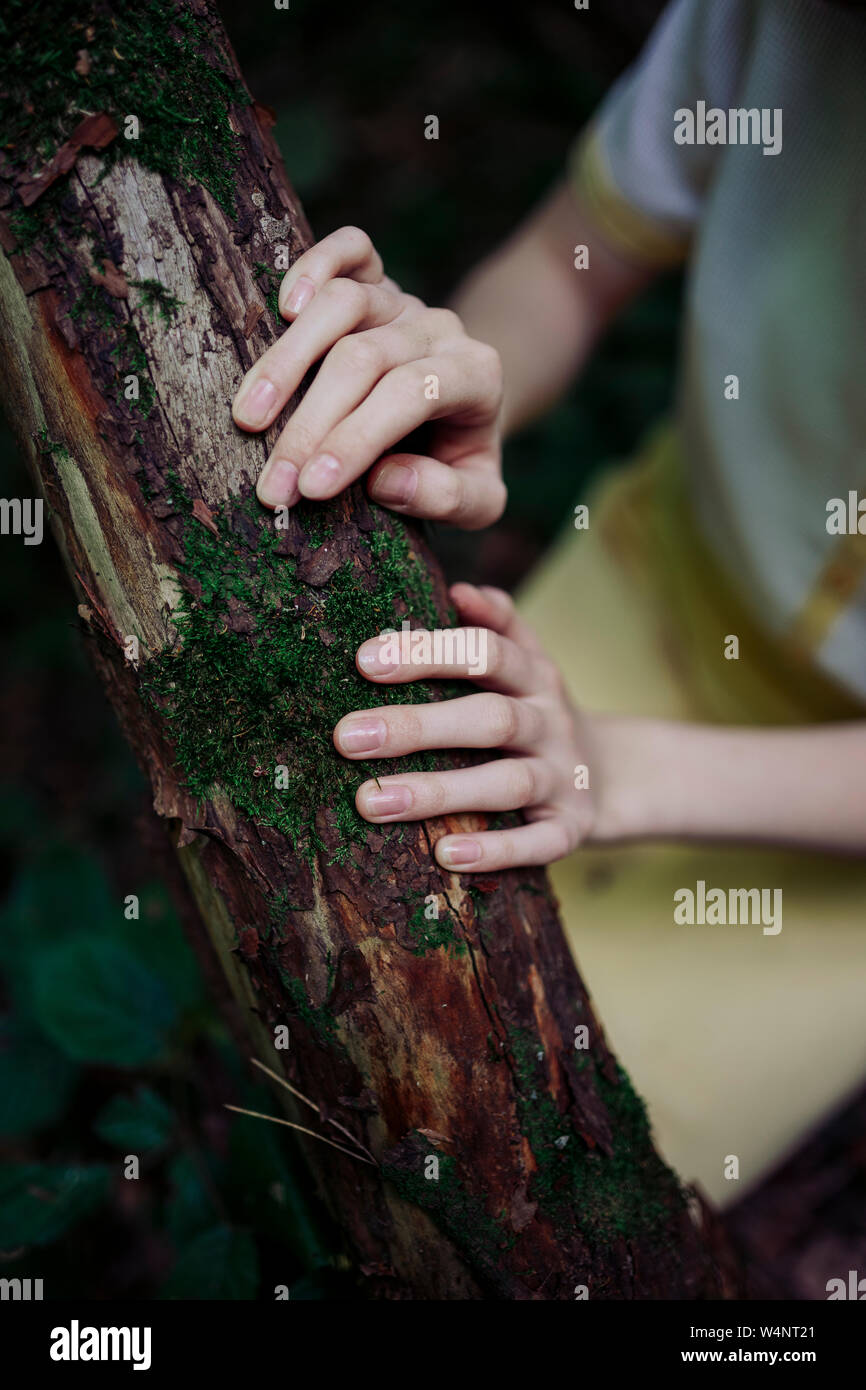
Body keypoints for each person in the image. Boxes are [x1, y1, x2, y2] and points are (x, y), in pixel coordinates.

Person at [231, 0, 866, 1204]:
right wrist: (452, 373)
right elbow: (566, 268)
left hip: (837, 862)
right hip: (652, 588)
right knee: (334, 1053)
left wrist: (615, 773)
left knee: (552, 1190)